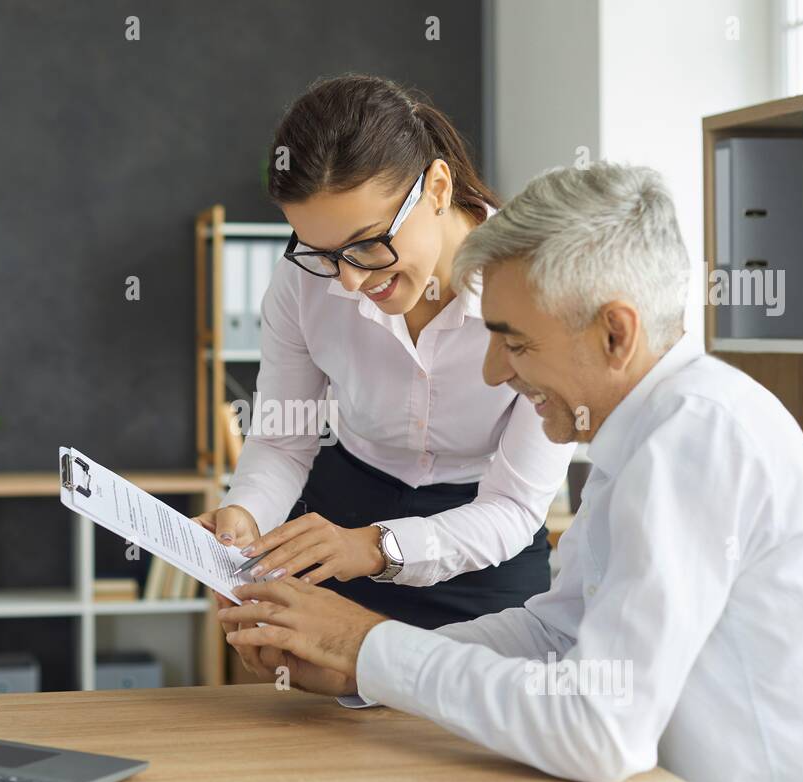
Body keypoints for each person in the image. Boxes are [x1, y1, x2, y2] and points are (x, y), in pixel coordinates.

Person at [218, 162, 803, 782]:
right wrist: (357, 670)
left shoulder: (697, 439)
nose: (497, 373)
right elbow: (555, 636)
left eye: (515, 343)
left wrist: (366, 646)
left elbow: (601, 729)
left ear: (615, 334)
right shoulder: (648, 435)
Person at [196, 74, 574, 634]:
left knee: (478, 706)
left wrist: (376, 547)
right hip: (335, 521)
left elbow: (517, 508)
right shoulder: (302, 284)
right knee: (311, 705)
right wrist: (245, 514)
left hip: (486, 536)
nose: (347, 281)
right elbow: (282, 438)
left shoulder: (537, 287)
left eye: (369, 242)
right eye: (322, 253)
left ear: (438, 189)